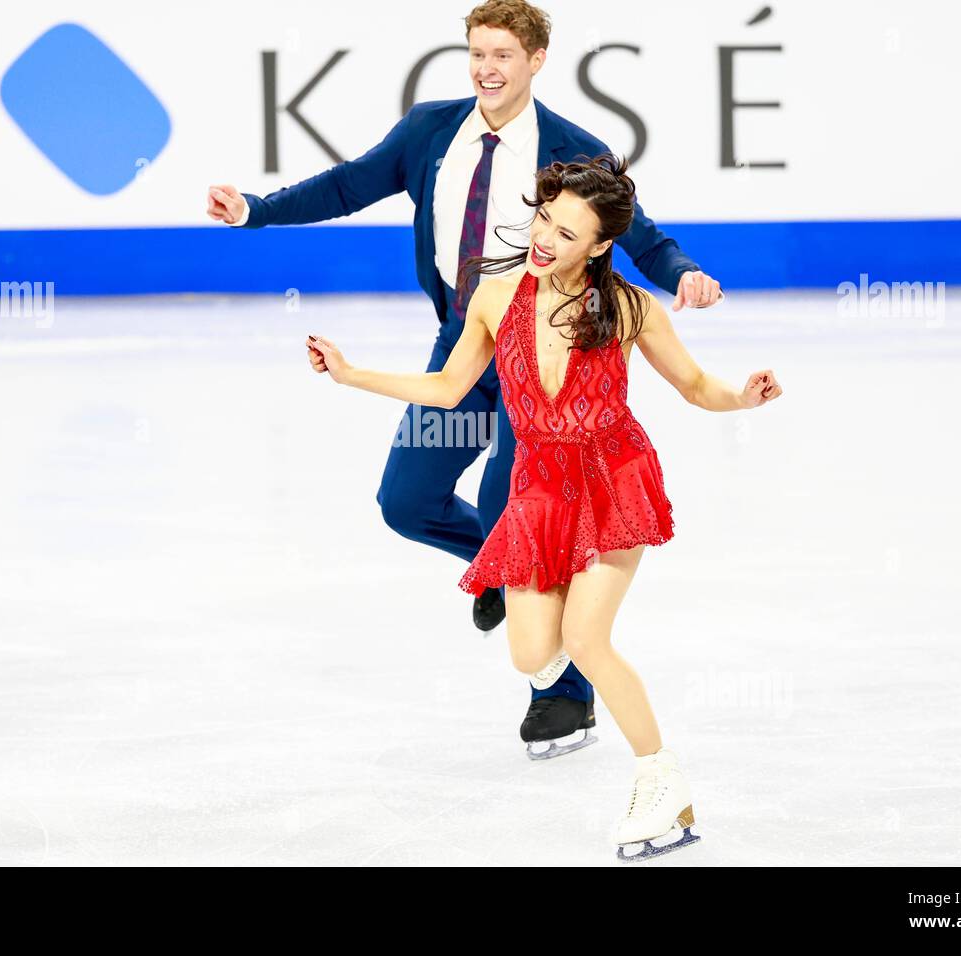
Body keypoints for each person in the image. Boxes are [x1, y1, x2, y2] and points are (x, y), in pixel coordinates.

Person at [207, 0, 724, 758]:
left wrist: (684, 274)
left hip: (544, 358)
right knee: (406, 499)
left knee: (512, 500)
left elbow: (637, 234)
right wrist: (256, 209)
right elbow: (348, 185)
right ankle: (499, 570)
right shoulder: (432, 131)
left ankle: (563, 695)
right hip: (469, 334)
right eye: (478, 52)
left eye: (504, 55)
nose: (487, 68)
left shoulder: (573, 149)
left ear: (536, 60)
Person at [305, 153, 782, 860]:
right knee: (532, 649)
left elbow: (694, 386)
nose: (545, 237)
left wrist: (741, 396)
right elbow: (447, 388)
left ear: (600, 245)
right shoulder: (497, 297)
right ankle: (607, 723)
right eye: (543, 217)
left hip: (611, 479)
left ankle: (661, 782)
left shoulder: (628, 307)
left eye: (566, 230)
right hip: (538, 490)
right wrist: (350, 376)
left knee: (588, 639)